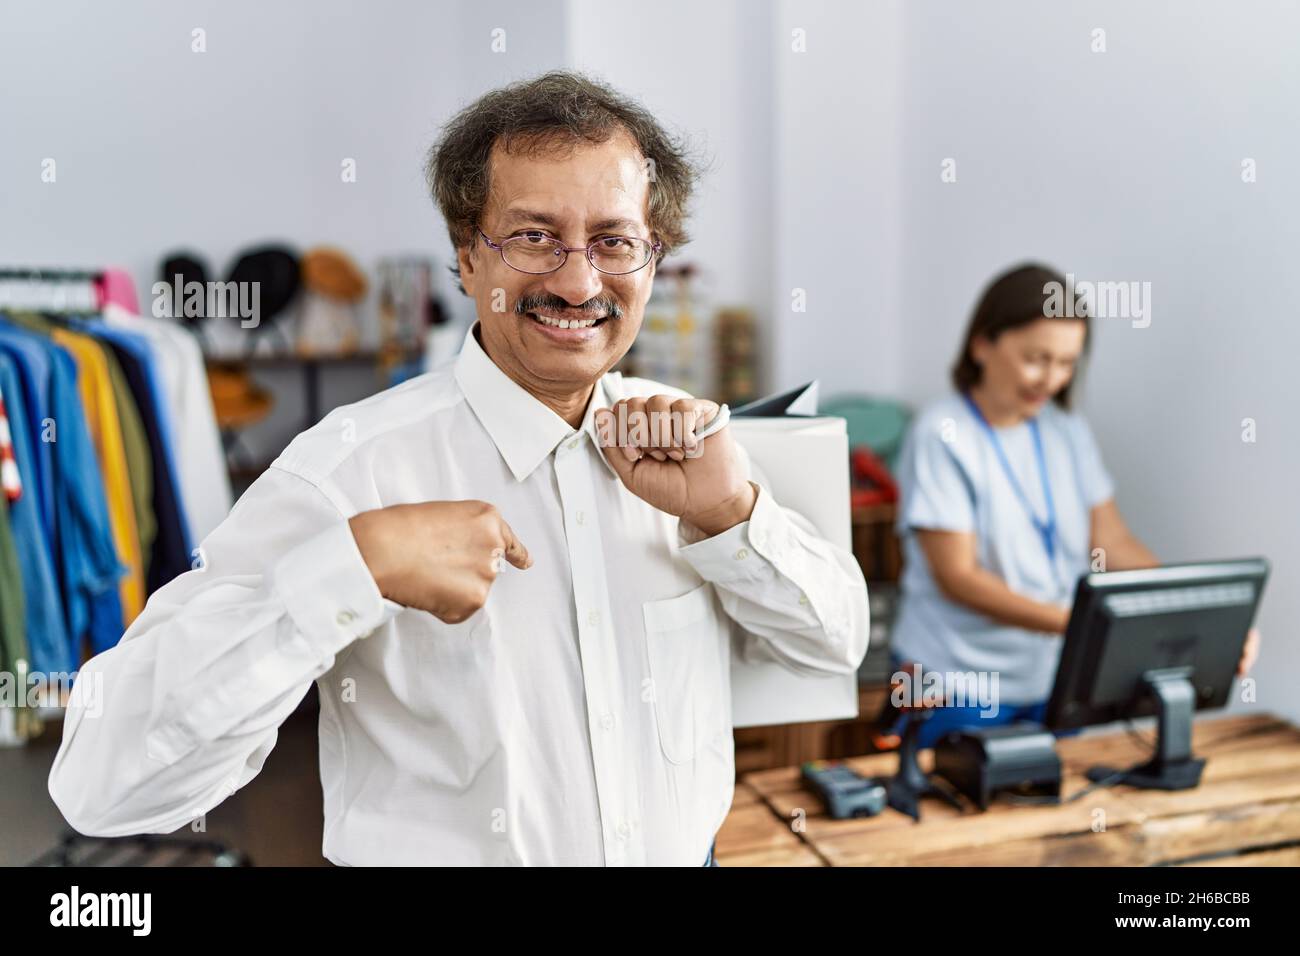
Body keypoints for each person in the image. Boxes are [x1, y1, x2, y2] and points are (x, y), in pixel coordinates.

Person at [46, 71, 870, 866]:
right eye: (533, 237)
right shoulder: (346, 473)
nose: (579, 280)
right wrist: (349, 570)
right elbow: (102, 785)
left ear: (654, 260)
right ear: (468, 258)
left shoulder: (697, 448)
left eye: (614, 241)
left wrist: (733, 514)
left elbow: (838, 645)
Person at [890, 264, 1260, 748]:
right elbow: (958, 578)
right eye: (1036, 358)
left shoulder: (1067, 432)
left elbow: (1111, 541)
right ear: (982, 343)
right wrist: (1088, 625)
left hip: (1054, 679)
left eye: (1066, 363)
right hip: (957, 683)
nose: (1051, 378)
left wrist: (1187, 617)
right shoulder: (940, 434)